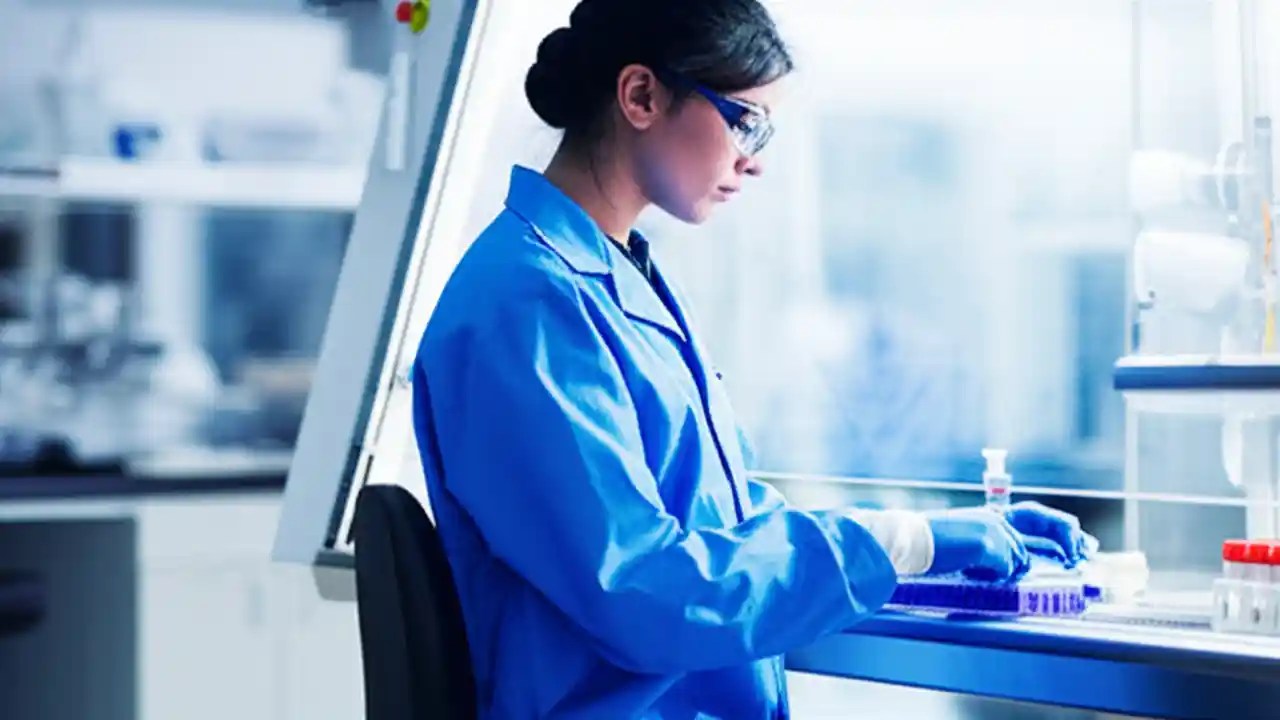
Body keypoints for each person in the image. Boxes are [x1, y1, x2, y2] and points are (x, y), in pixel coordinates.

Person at [411, 1, 1094, 717]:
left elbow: (727, 521)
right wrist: (904, 543)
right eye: (744, 120)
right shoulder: (526, 308)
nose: (754, 158)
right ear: (641, 96)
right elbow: (643, 590)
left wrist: (927, 545)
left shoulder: (619, 279)